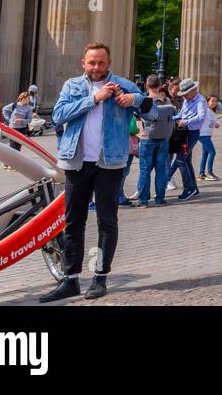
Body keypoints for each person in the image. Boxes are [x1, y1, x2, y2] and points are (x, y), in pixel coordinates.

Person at [41, 42, 144, 302]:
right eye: (92, 62)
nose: (96, 67)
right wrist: (93, 99)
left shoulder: (125, 85)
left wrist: (136, 100)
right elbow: (58, 115)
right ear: (83, 63)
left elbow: (152, 113)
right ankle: (70, 279)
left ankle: (100, 278)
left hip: (109, 164)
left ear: (108, 63)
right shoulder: (72, 86)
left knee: (106, 222)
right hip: (77, 162)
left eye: (101, 62)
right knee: (73, 222)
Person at [135, 76, 175, 207]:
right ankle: (159, 199)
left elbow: (138, 117)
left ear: (146, 86)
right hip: (163, 138)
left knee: (145, 170)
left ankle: (143, 200)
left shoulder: (145, 101)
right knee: (161, 169)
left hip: (147, 138)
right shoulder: (167, 100)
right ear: (160, 86)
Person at [168, 78, 206, 200]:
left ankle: (189, 188)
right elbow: (181, 115)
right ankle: (193, 188)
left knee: (180, 160)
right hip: (184, 132)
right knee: (186, 160)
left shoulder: (200, 101)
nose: (183, 95)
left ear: (193, 90)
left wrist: (186, 121)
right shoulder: (186, 100)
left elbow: (201, 117)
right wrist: (172, 118)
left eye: (185, 93)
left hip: (191, 133)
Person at [198, 94, 220, 181]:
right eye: (212, 101)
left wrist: (217, 123)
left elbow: (216, 122)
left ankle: (201, 173)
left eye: (216, 101)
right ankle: (210, 173)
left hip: (207, 135)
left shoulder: (211, 112)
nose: (214, 103)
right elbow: (213, 121)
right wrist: (215, 122)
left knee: (205, 153)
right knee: (212, 152)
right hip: (202, 135)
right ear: (207, 102)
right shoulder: (205, 111)